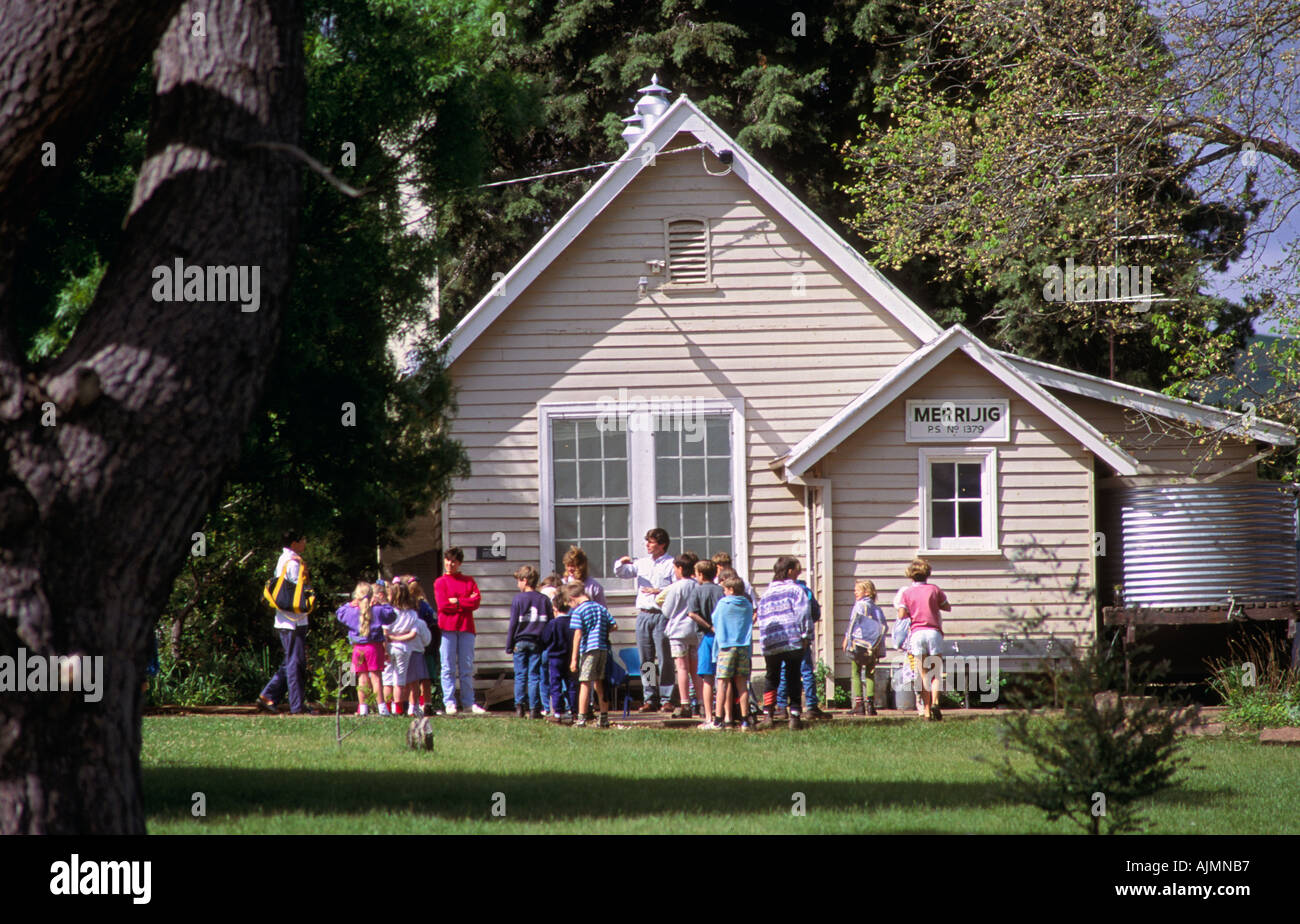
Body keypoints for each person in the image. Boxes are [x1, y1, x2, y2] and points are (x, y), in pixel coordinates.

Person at [613, 528, 676, 712]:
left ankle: (667, 698)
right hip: (643, 615)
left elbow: (677, 587)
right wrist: (620, 563)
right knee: (646, 659)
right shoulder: (642, 563)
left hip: (661, 615)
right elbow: (623, 572)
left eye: (651, 542)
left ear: (662, 544)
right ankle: (650, 697)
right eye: (646, 541)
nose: (647, 545)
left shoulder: (671, 564)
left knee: (665, 658)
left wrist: (658, 590)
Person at [258, 529, 319, 715]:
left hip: (287, 621)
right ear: (294, 543)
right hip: (293, 622)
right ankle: (297, 706)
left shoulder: (284, 559)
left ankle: (268, 696)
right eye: (303, 538)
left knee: (291, 660)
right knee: (295, 663)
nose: (306, 541)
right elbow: (297, 592)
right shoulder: (293, 563)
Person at [757, 556, 811, 730]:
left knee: (771, 677)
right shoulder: (795, 590)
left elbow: (762, 618)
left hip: (770, 641)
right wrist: (805, 635)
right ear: (789, 571)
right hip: (791, 639)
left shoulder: (766, 594)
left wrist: (764, 642)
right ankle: (794, 716)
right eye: (797, 569)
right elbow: (803, 614)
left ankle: (768, 715)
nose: (799, 573)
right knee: (793, 676)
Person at [898, 557, 950, 721]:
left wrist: (911, 612)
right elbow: (947, 606)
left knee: (923, 674)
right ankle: (935, 702)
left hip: (917, 633)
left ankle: (926, 711)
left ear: (910, 575)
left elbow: (901, 614)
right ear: (927, 573)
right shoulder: (934, 590)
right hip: (934, 632)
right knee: (936, 673)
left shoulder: (907, 593)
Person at [434, 547, 483, 714]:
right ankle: (449, 702)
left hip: (466, 628)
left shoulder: (469, 581)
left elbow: (476, 602)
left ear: (460, 563)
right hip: (447, 628)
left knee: (466, 667)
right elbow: (443, 605)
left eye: (454, 561)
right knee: (447, 667)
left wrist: (457, 602)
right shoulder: (440, 582)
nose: (450, 564)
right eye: (447, 560)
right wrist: (464, 602)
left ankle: (468, 703)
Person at [775, 562, 827, 719]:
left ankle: (782, 706)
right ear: (792, 571)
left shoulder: (776, 590)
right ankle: (811, 706)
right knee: (805, 671)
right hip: (800, 636)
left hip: (783, 636)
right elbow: (814, 612)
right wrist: (806, 632)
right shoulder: (803, 590)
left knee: (784, 671)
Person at [335, 581, 395, 715]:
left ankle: (363, 708)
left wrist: (350, 604)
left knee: (361, 678)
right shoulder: (378, 610)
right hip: (374, 647)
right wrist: (383, 602)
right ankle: (382, 708)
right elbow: (391, 615)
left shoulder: (351, 611)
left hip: (358, 648)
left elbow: (339, 613)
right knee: (376, 677)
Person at [567, 581, 616, 728]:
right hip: (602, 649)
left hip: (588, 650)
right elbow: (614, 625)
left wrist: (574, 659)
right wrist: (600, 632)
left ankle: (581, 719)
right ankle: (604, 718)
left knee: (584, 682)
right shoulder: (600, 607)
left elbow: (577, 635)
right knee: (600, 682)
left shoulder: (579, 611)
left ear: (572, 598)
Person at [507, 565, 553, 719]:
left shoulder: (518, 599)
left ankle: (519, 708)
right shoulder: (544, 600)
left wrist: (509, 645)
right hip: (537, 642)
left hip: (520, 641)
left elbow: (513, 624)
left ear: (525, 580)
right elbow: (550, 624)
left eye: (518, 581)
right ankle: (534, 709)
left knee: (520, 675)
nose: (517, 585)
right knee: (534, 676)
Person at [660, 553, 701, 718]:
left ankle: (685, 704)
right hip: (696, 631)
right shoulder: (698, 585)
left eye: (675, 568)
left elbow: (667, 611)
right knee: (696, 669)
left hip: (678, 632)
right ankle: (701, 703)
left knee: (682, 668)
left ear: (681, 568)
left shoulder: (676, 587)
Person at [713, 576, 755, 730]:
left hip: (726, 647)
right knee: (742, 684)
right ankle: (745, 719)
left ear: (730, 590)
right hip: (743, 646)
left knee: (722, 683)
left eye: (724, 589)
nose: (723, 592)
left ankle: (718, 719)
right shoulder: (747, 605)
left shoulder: (723, 604)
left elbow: (714, 619)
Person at [688, 559, 725, 729]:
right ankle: (723, 715)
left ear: (701, 575)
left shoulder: (697, 591)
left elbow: (692, 613)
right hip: (723, 637)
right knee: (723, 678)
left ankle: (709, 717)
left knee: (707, 678)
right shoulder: (721, 591)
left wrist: (708, 626)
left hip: (705, 637)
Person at [386, 581, 432, 715]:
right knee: (403, 680)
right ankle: (407, 708)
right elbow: (413, 635)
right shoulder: (412, 614)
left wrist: (391, 638)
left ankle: (390, 708)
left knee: (389, 679)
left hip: (389, 647)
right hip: (404, 649)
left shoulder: (389, 612)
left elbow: (385, 632)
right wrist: (399, 638)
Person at [843, 579, 888, 716]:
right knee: (870, 673)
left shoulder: (859, 605)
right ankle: (870, 704)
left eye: (857, 589)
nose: (854, 592)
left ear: (866, 592)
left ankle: (859, 704)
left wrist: (847, 639)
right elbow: (883, 627)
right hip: (872, 646)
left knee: (856, 673)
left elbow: (853, 623)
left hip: (859, 644)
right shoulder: (877, 608)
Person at [405, 576, 443, 714]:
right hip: (425, 646)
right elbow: (434, 625)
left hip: (408, 646)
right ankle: (426, 704)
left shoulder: (403, 608)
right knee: (425, 676)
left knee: (411, 678)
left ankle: (410, 706)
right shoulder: (424, 606)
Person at [543, 587, 577, 723]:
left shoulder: (553, 624)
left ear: (555, 608)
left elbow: (545, 638)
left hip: (555, 658)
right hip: (570, 658)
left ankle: (557, 712)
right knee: (572, 685)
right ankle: (574, 710)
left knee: (555, 685)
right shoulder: (573, 623)